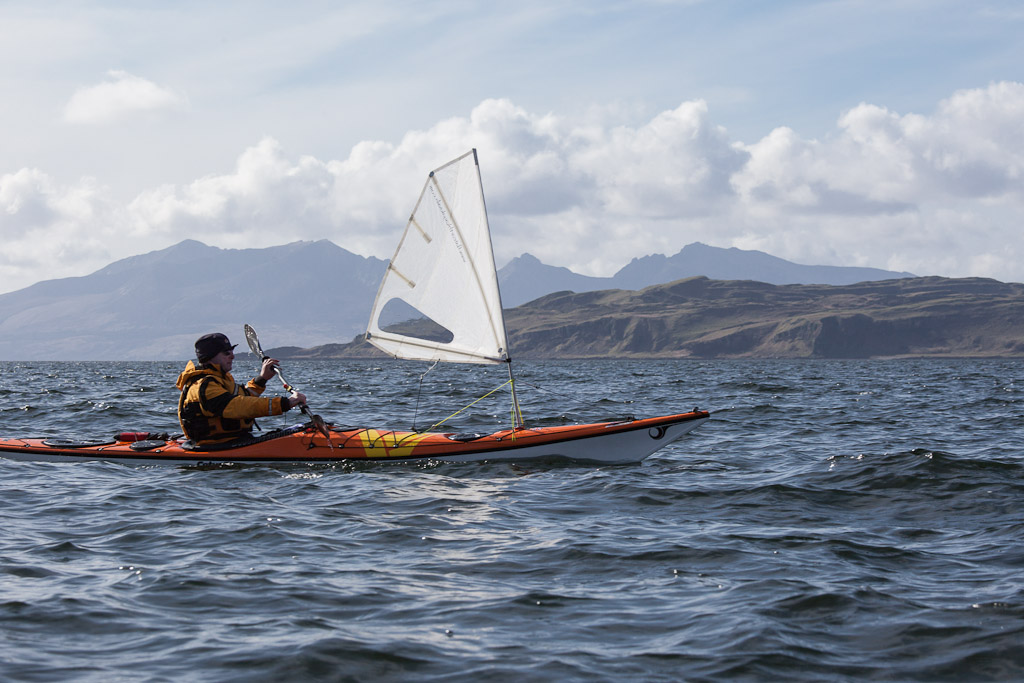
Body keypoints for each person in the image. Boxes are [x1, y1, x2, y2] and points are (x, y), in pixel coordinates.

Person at [176, 332, 307, 445]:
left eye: (232, 351)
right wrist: (285, 403)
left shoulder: (221, 380)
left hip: (235, 440)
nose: (232, 356)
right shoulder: (202, 386)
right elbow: (236, 406)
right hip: (216, 445)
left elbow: (244, 396)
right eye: (226, 353)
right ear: (209, 358)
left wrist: (262, 378)